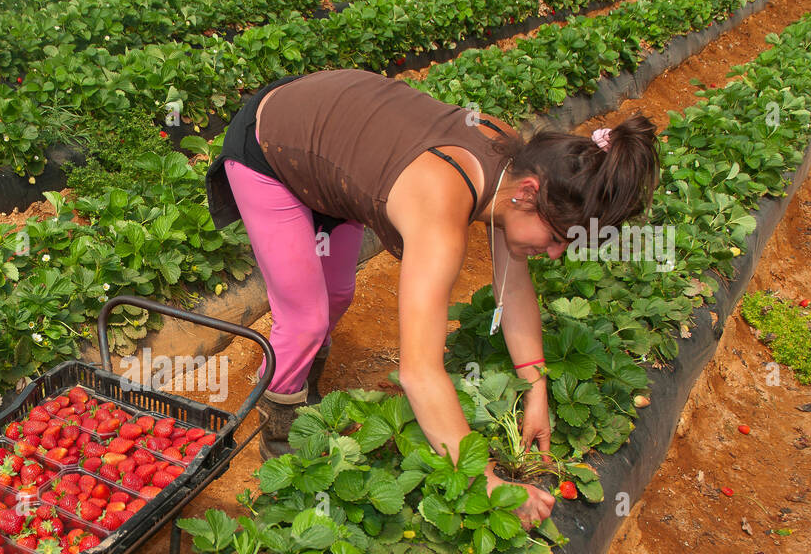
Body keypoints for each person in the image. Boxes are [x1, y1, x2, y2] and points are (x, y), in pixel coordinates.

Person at [205, 69, 659, 528]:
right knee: (305, 318)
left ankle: (304, 380)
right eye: (558, 236)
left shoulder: (514, 166)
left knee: (336, 293)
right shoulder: (441, 206)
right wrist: (485, 481)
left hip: (331, 151)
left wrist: (536, 387)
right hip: (274, 145)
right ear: (529, 193)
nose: (557, 252)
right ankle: (281, 433)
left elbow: (514, 286)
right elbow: (419, 373)